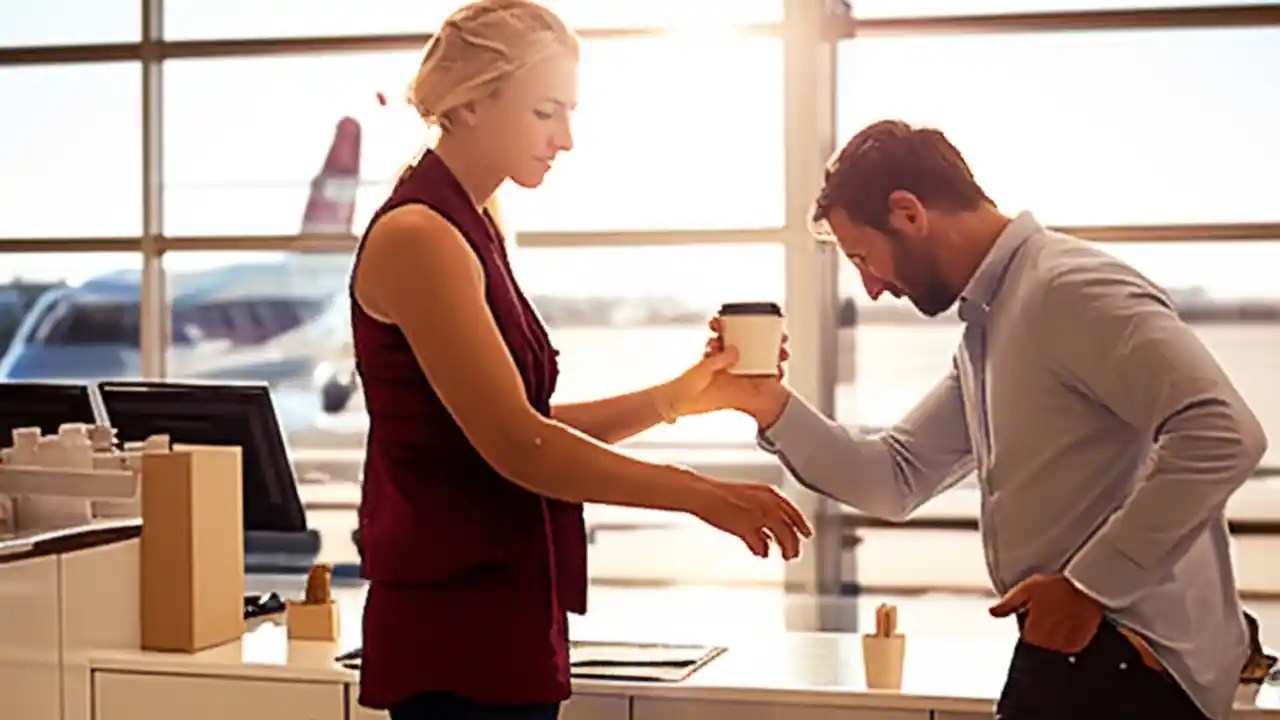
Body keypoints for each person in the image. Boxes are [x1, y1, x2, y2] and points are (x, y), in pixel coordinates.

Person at [685, 119, 1268, 719]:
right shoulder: (990, 328)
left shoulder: (1066, 288)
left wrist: (1089, 586)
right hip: (1078, 650)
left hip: (1124, 662)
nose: (873, 287)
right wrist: (764, 401)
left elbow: (1223, 432)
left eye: (864, 257)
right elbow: (894, 476)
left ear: (908, 213)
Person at [348, 2, 812, 719]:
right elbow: (519, 446)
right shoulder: (422, 236)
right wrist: (702, 495)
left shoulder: (472, 228)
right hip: (457, 636)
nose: (565, 138)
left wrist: (684, 395)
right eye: (546, 112)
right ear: (471, 103)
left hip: (499, 621)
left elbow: (519, 424)